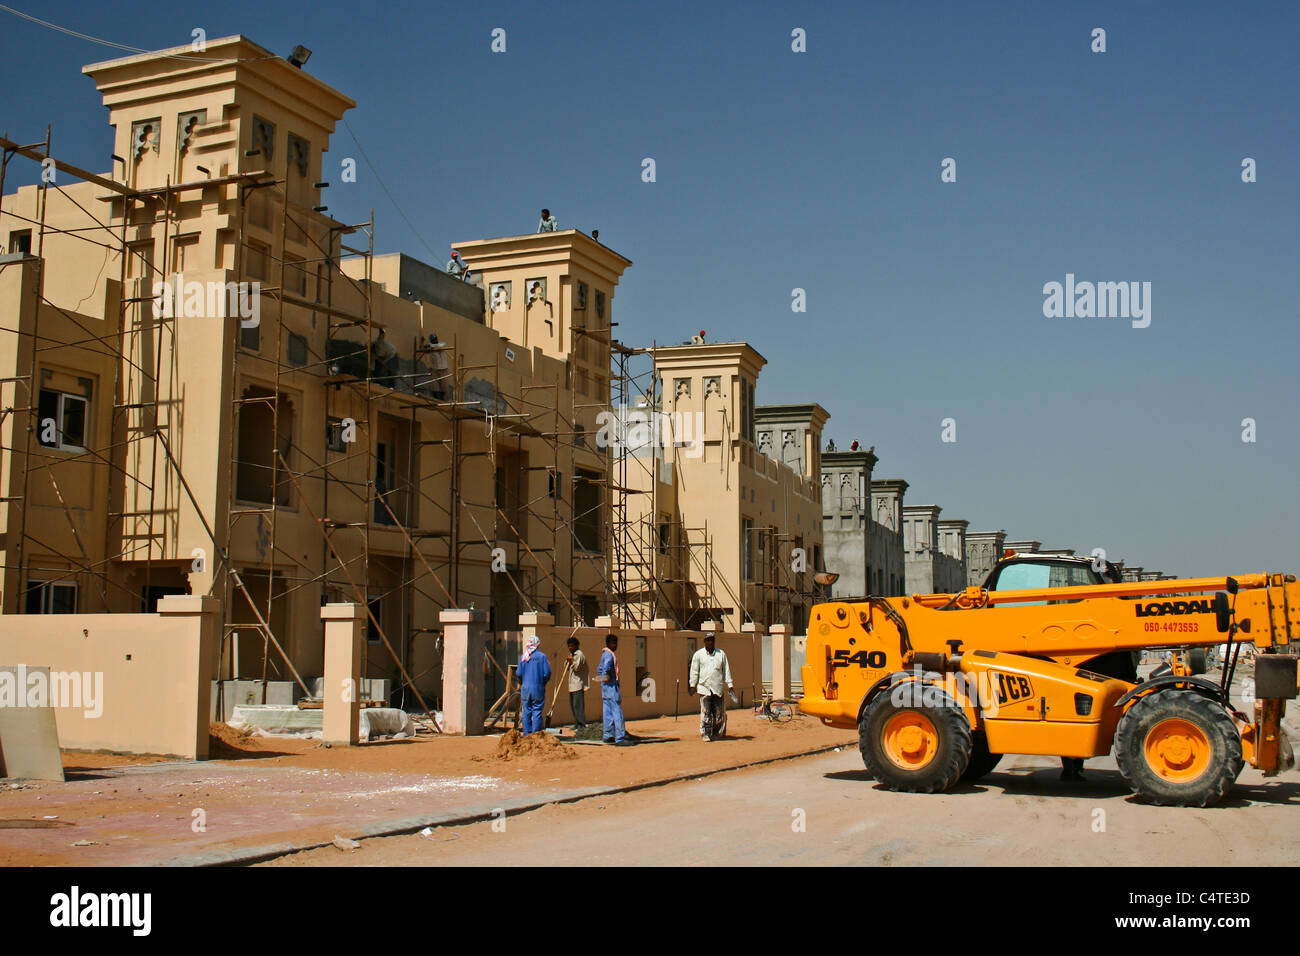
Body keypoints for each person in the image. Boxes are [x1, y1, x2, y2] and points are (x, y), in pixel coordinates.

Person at [689, 633, 734, 741]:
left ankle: (717, 733)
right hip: (704, 688)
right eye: (708, 640)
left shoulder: (721, 654)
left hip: (718, 688)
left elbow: (726, 670)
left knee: (718, 713)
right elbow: (694, 671)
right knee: (706, 712)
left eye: (712, 640)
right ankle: (706, 733)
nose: (710, 642)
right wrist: (692, 685)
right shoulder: (698, 655)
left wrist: (730, 684)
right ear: (704, 642)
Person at [516, 635, 552, 735]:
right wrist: (543, 682)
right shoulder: (542, 657)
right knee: (537, 710)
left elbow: (518, 673)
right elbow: (547, 673)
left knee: (526, 711)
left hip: (525, 688)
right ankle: (535, 734)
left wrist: (522, 682)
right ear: (537, 645)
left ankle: (526, 734)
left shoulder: (523, 657)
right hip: (538, 687)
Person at [596, 633, 627, 744]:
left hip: (604, 687)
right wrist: (609, 676)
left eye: (616, 643)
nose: (615, 645)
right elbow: (607, 668)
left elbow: (599, 670)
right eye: (613, 643)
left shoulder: (604, 654)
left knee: (607, 712)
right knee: (617, 712)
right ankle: (620, 737)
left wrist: (602, 679)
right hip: (611, 686)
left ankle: (608, 735)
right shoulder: (609, 655)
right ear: (608, 644)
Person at [565, 636, 589, 730]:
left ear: (576, 646)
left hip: (578, 684)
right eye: (569, 646)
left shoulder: (579, 655)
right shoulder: (571, 654)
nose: (570, 648)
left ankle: (581, 724)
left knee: (578, 705)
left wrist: (571, 662)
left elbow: (577, 667)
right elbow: (566, 666)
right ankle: (577, 723)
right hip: (571, 684)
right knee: (573, 705)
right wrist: (568, 661)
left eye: (572, 646)